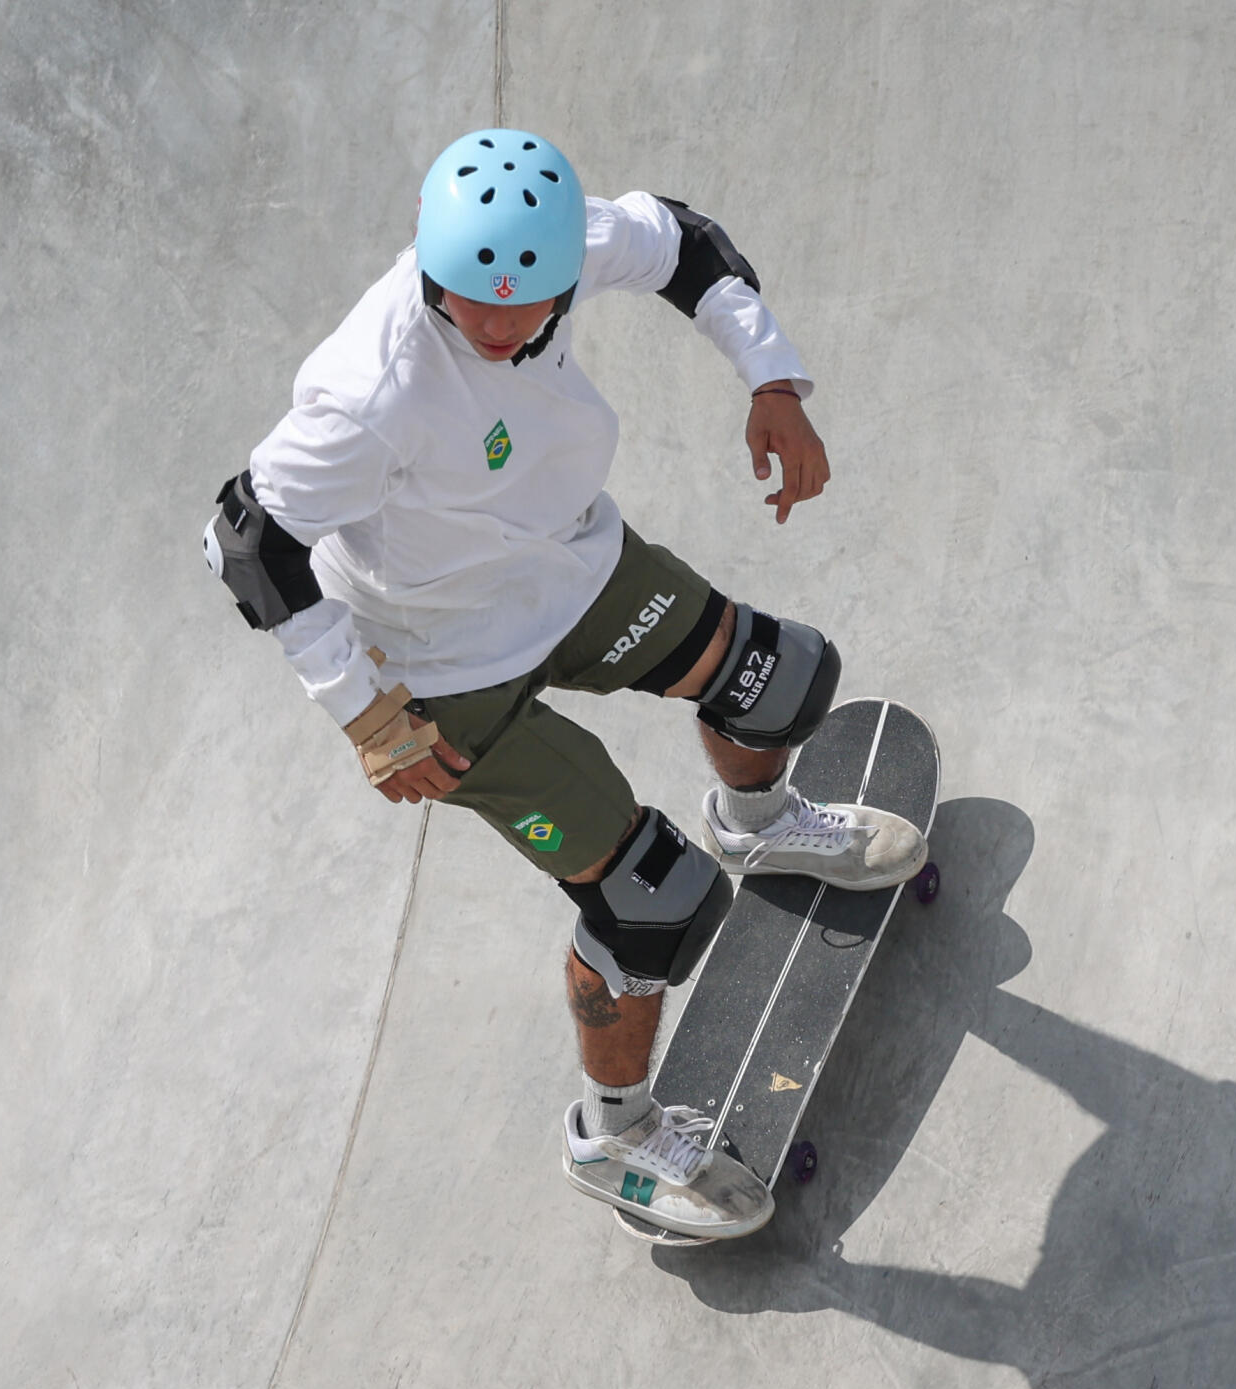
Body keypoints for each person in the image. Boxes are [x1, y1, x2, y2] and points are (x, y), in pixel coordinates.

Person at [202, 127, 924, 1241]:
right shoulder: (367, 390)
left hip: (570, 568)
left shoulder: (563, 248)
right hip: (445, 666)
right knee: (653, 907)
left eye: (522, 305)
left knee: (779, 681)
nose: (495, 326)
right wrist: (362, 714)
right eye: (467, 302)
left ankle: (757, 821)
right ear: (428, 263)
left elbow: (686, 244)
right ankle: (616, 1136)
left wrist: (769, 374)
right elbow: (249, 543)